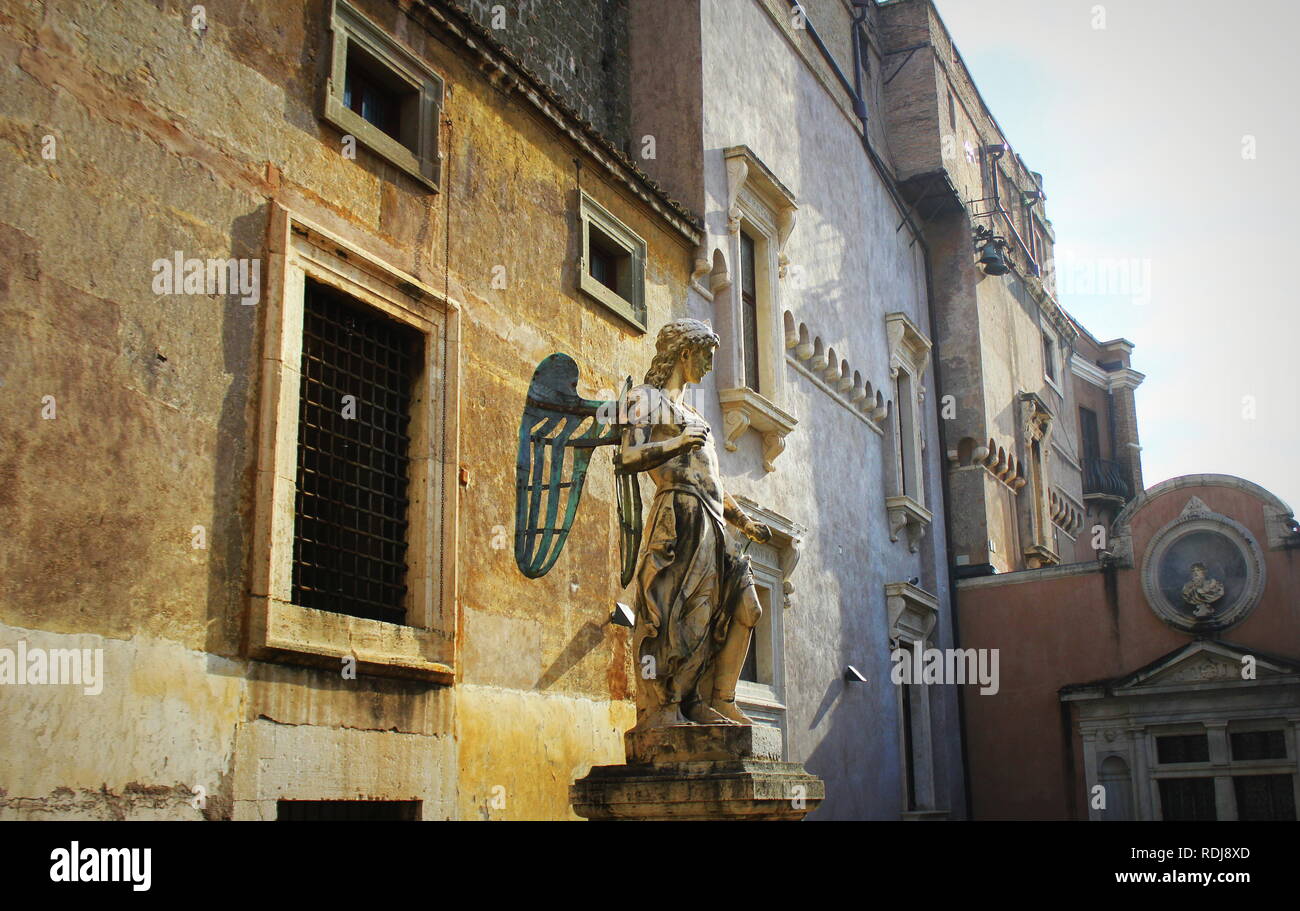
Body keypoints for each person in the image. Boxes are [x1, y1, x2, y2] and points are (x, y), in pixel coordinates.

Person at [616, 319, 772, 730]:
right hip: (677, 515)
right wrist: (677, 443)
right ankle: (668, 708)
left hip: (714, 520)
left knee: (746, 608)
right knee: (676, 618)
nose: (707, 365)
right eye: (704, 355)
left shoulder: (693, 413)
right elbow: (627, 458)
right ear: (684, 352)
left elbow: (713, 481)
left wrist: (744, 520)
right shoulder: (645, 399)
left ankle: (717, 698)